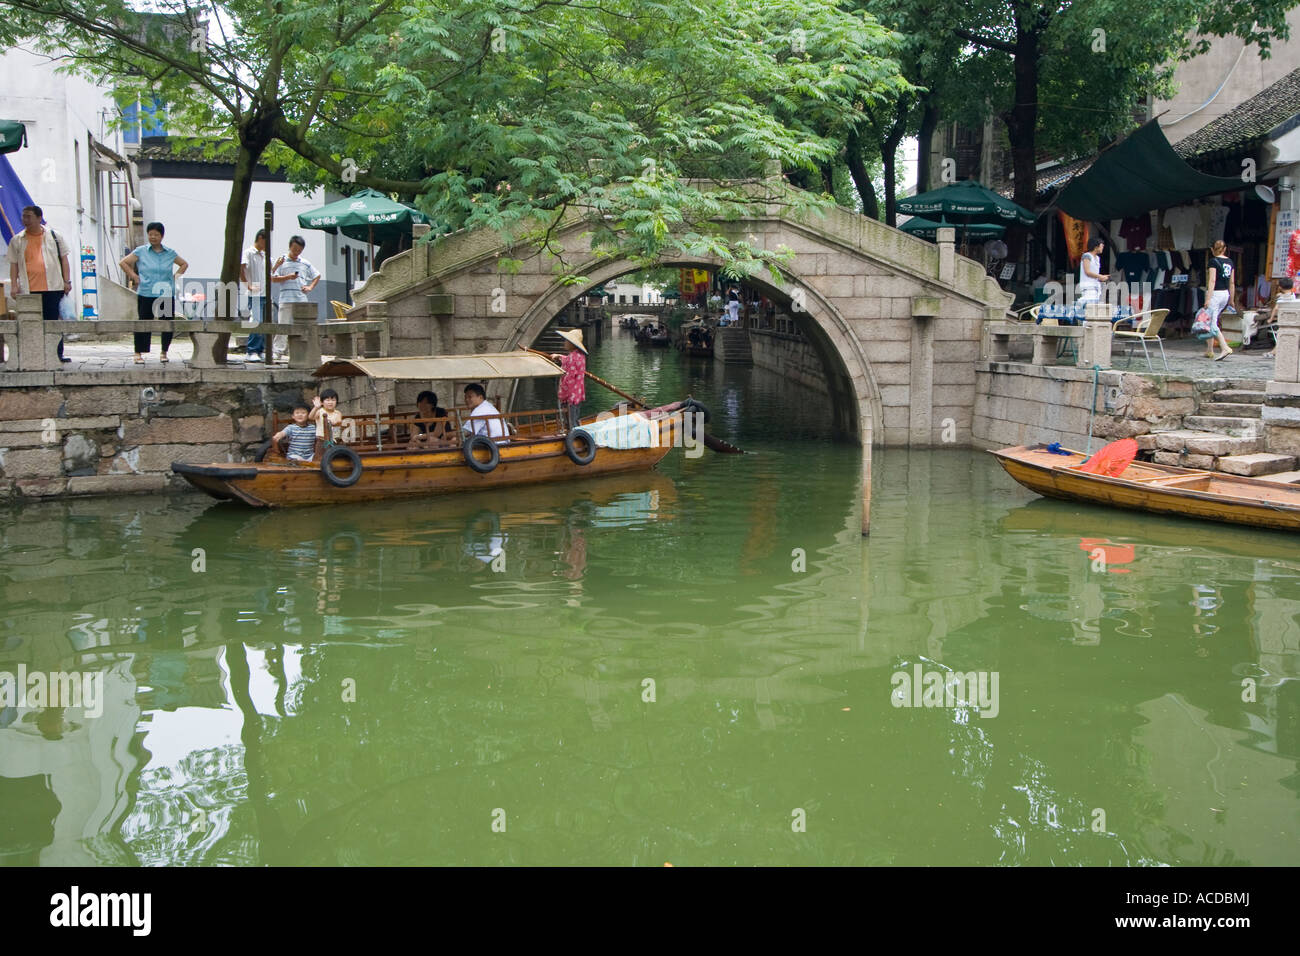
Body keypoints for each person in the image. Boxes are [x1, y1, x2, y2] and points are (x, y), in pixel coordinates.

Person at [6, 205, 73, 362]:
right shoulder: (17, 240)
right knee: (31, 323)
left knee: (52, 322)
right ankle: (33, 355)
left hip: (53, 287)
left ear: (38, 217)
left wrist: (67, 281)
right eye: (24, 216)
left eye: (28, 216)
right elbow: (14, 264)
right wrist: (14, 286)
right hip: (29, 289)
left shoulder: (54, 236)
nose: (25, 220)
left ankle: (56, 354)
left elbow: (64, 260)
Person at [120, 221, 188, 364]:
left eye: (156, 235)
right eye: (150, 234)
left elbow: (184, 264)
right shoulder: (141, 251)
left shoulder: (170, 253)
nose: (153, 237)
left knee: (167, 323)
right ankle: (138, 353)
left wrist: (175, 277)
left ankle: (164, 352)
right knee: (144, 323)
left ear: (162, 236)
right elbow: (124, 262)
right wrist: (134, 276)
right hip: (146, 291)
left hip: (165, 292)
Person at [269, 235, 320, 361]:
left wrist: (310, 287)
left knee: (303, 327)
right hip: (285, 298)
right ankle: (278, 351)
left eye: (299, 250)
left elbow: (317, 275)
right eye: (295, 249)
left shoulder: (305, 263)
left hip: (301, 299)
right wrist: (287, 277)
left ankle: (303, 350)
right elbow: (272, 278)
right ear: (290, 246)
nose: (297, 252)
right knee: (283, 326)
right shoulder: (281, 261)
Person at [550, 328, 587, 431]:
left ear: (572, 343)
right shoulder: (579, 356)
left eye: (566, 341)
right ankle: (575, 434)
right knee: (573, 418)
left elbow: (569, 379)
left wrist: (562, 394)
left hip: (570, 396)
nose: (564, 342)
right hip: (576, 395)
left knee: (570, 422)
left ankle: (573, 439)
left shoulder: (573, 358)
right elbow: (567, 360)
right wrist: (559, 356)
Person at [1204, 239, 1235, 361]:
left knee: (1211, 323)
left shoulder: (1213, 261)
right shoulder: (1230, 261)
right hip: (1225, 294)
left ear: (1212, 250)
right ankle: (1210, 349)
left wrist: (1208, 298)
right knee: (1213, 320)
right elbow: (1232, 282)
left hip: (1215, 294)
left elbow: (1212, 280)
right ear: (1225, 249)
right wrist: (1231, 299)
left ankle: (1224, 347)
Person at [240, 228, 268, 361]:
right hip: (255, 293)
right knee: (256, 321)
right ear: (261, 238)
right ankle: (251, 350)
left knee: (263, 322)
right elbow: (242, 268)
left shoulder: (264, 255)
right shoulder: (249, 252)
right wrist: (248, 285)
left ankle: (260, 348)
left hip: (264, 292)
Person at [1262, 276, 1295, 358]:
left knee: (1281, 336)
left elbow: (1275, 309)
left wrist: (1271, 319)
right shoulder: (1293, 296)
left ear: (1280, 287)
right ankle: (1274, 352)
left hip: (1284, 320)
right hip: (1293, 319)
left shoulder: (1281, 299)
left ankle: (1273, 352)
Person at [309, 388, 344, 455]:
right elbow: (311, 417)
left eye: (333, 400)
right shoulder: (320, 411)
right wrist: (316, 407)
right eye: (327, 400)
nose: (330, 402)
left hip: (334, 440)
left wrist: (335, 422)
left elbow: (339, 421)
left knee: (333, 458)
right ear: (322, 402)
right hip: (321, 440)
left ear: (336, 401)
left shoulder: (338, 413)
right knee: (320, 458)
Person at [1077, 237, 1108, 304]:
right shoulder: (1087, 256)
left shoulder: (1097, 258)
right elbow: (1087, 272)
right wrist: (1100, 276)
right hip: (1087, 286)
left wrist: (1101, 278)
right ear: (1096, 247)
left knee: (1093, 306)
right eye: (1101, 246)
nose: (1102, 247)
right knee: (1089, 304)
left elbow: (1094, 274)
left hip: (1095, 285)